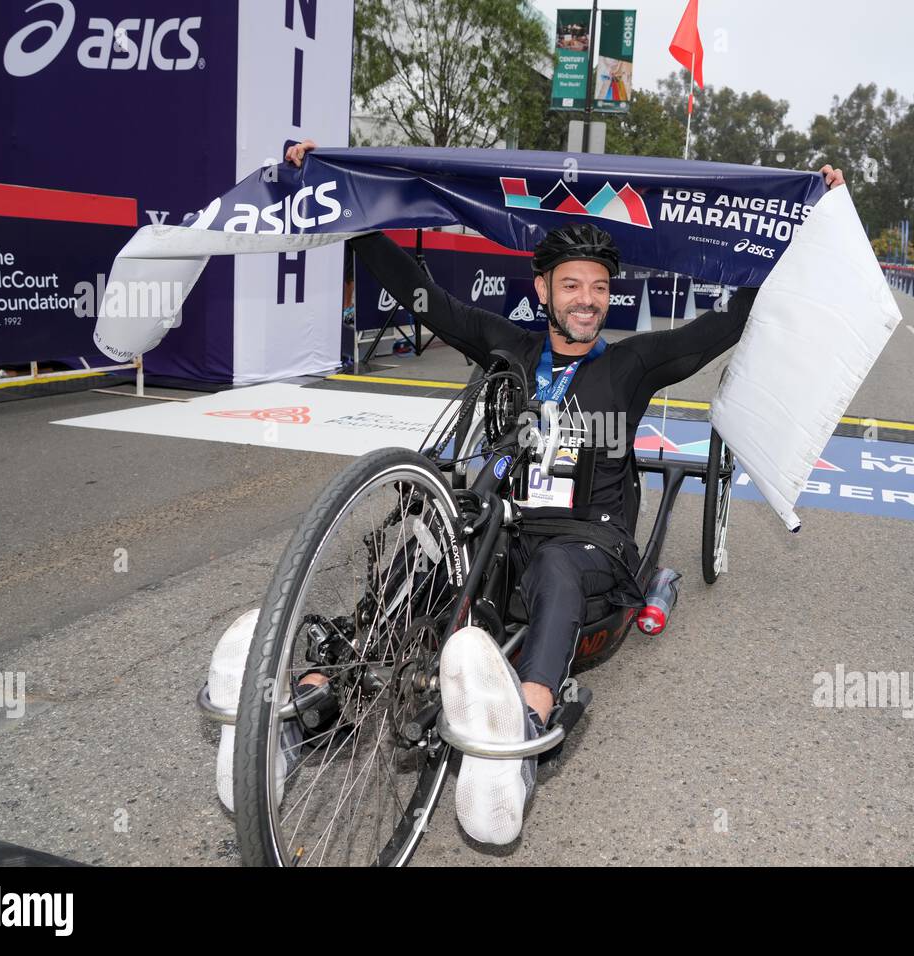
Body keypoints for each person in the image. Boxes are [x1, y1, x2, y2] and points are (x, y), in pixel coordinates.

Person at [285, 138, 844, 843]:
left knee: (556, 564)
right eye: (573, 286)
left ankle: (527, 723)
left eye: (600, 288)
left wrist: (805, 225)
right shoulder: (507, 346)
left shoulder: (634, 363)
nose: (588, 301)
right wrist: (344, 201)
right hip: (504, 537)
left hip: (590, 551)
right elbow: (420, 295)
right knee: (426, 559)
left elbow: (727, 322)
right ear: (542, 289)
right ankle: (311, 700)